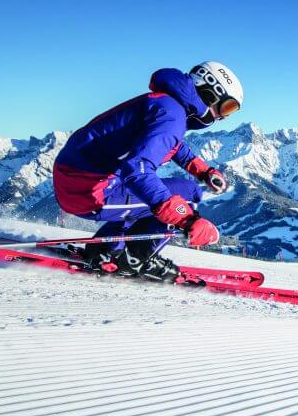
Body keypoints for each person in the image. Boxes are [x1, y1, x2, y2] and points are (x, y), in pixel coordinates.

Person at [52, 62, 242, 281]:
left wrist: (203, 170)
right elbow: (138, 171)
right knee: (186, 197)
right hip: (88, 192)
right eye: (227, 107)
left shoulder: (167, 104)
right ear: (209, 92)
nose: (224, 117)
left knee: (168, 192)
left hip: (75, 178)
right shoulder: (172, 116)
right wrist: (187, 220)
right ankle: (135, 259)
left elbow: (169, 144)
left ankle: (106, 249)